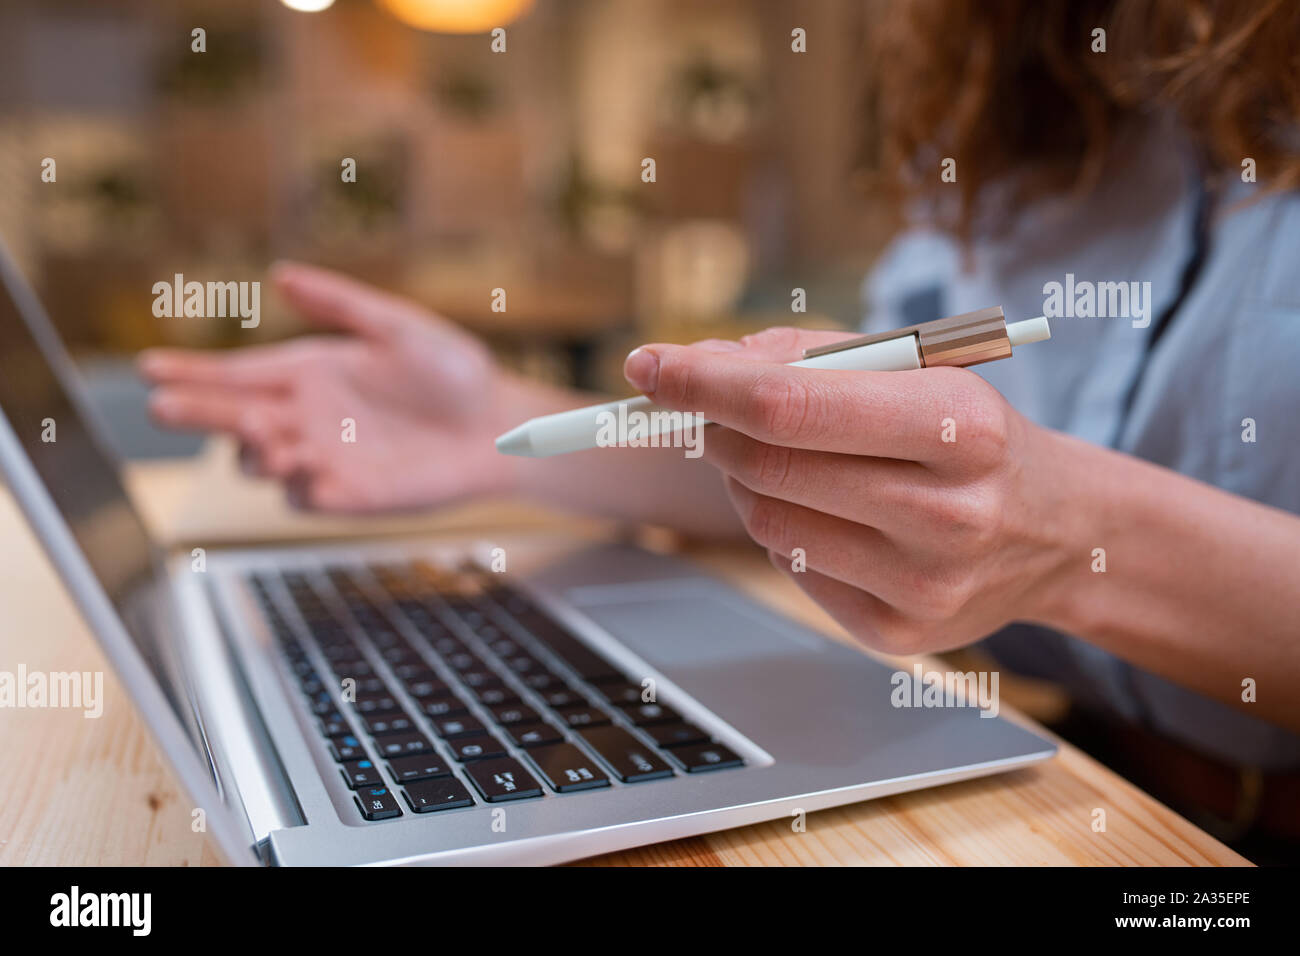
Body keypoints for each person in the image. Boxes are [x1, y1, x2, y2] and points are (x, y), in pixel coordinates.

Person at [139, 0, 1300, 855]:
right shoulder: (1034, 85)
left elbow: (1018, 493)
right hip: (1053, 766)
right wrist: (494, 419)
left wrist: (1071, 534)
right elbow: (867, 451)